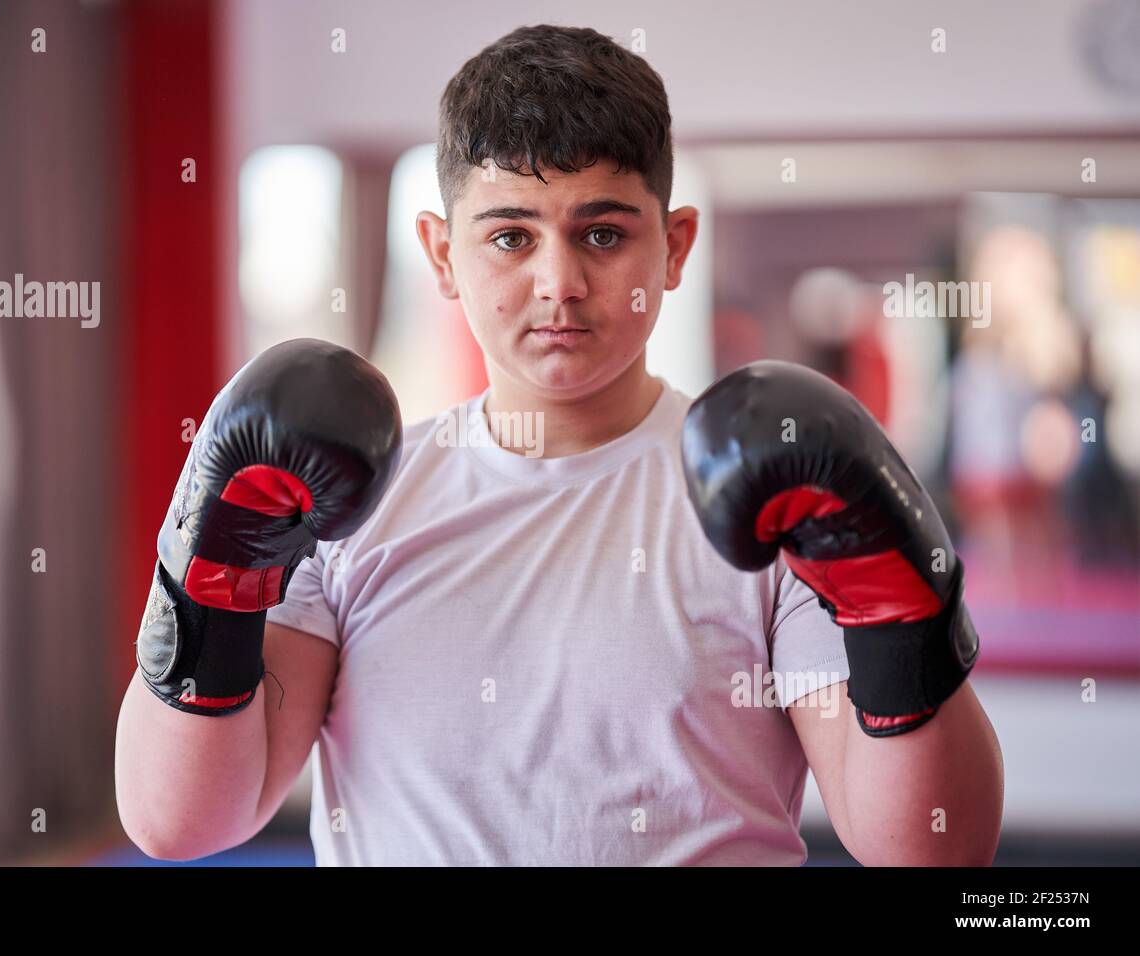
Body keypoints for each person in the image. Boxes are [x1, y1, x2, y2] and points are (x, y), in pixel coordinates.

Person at [116, 24, 1003, 866]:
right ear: (440, 254)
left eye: (605, 234)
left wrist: (900, 605)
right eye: (510, 236)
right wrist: (212, 567)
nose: (560, 284)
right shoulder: (352, 506)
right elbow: (181, 821)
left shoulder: (766, 508)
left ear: (675, 246)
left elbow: (926, 846)